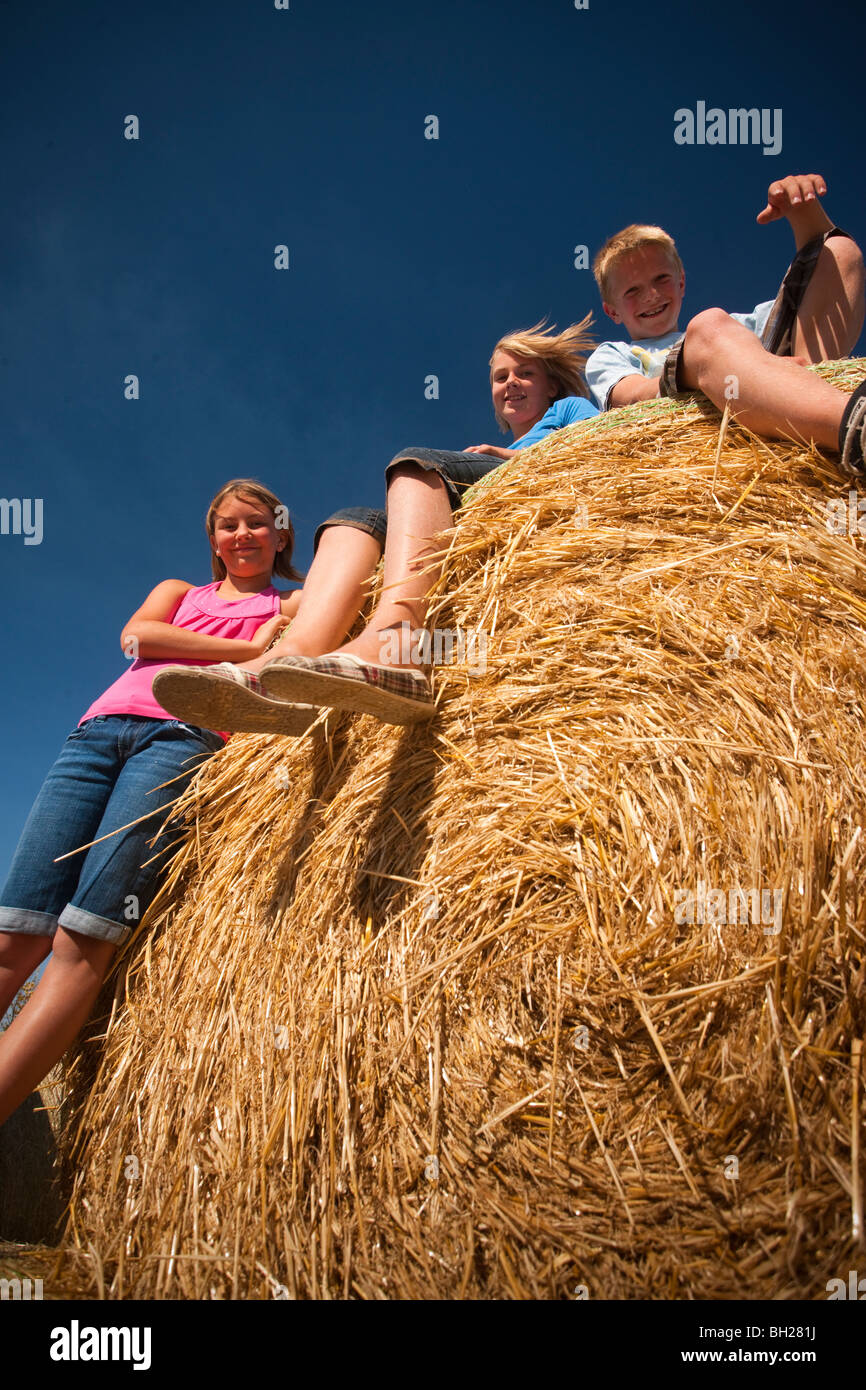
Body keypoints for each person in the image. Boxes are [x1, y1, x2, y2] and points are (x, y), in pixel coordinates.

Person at [0, 480, 384, 1126]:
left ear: (282, 534)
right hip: (98, 733)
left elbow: (352, 585)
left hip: (185, 739)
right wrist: (246, 653)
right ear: (213, 540)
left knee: (84, 938)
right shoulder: (180, 592)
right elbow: (140, 638)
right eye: (228, 525)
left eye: (258, 524)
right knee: (16, 930)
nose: (242, 535)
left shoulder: (293, 607)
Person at [155, 318, 599, 731]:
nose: (511, 384)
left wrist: (511, 457)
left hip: (526, 488)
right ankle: (291, 662)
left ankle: (398, 643)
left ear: (552, 386)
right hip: (462, 518)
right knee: (351, 522)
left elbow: (596, 444)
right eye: (500, 377)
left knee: (415, 465)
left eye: (525, 373)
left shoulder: (567, 411)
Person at [584, 173, 866, 475]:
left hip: (792, 377)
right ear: (611, 311)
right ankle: (853, 427)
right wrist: (702, 373)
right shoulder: (612, 353)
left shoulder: (735, 327)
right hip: (697, 413)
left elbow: (812, 301)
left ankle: (811, 411)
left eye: (661, 279)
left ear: (681, 283)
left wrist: (803, 212)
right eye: (632, 291)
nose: (651, 295)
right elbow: (632, 397)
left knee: (840, 250)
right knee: (707, 328)